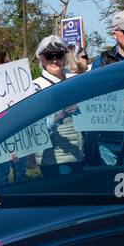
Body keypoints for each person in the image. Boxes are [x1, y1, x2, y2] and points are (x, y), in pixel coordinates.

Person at [31, 35, 82, 177]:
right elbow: (36, 128)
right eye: (49, 56)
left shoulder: (77, 81)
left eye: (59, 55)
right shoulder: (36, 87)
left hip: (82, 153)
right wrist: (58, 116)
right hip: (55, 159)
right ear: (40, 59)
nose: (54, 60)